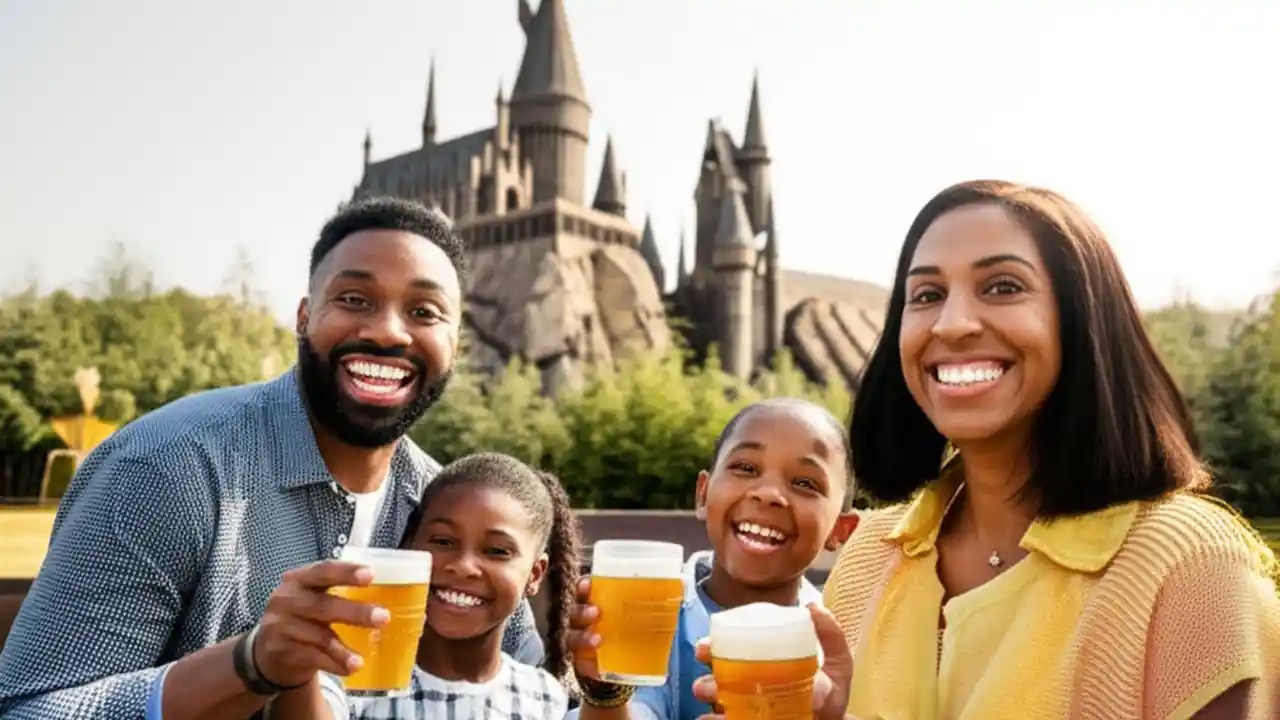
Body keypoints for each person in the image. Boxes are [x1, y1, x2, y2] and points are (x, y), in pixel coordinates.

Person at [700, 179, 1280, 719]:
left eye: (1002, 287)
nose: (951, 324)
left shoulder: (1191, 567)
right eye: (925, 294)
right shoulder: (871, 555)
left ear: (1081, 321)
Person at [0, 197, 543, 719]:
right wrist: (251, 666)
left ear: (455, 344)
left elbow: (533, 687)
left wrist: (599, 682)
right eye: (354, 299)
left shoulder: (446, 506)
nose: (386, 331)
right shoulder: (170, 468)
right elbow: (27, 711)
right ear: (304, 317)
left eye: (424, 311)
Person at [568, 398, 860, 719]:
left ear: (840, 530)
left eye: (805, 483)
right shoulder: (649, 614)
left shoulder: (844, 651)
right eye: (746, 468)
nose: (768, 493)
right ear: (703, 494)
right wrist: (605, 694)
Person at [270, 452, 578, 719]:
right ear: (410, 548)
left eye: (497, 551)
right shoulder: (354, 674)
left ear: (534, 575)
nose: (463, 565)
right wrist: (299, 658)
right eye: (443, 541)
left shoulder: (543, 696)